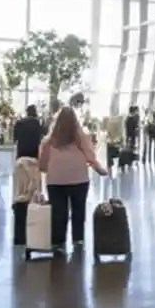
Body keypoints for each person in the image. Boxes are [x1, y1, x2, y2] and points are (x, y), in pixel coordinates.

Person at [38, 106, 108, 251]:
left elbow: (43, 162)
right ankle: (78, 239)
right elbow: (90, 156)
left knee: (58, 212)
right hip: (79, 178)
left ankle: (58, 241)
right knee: (78, 210)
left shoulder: (49, 140)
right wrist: (99, 169)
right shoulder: (81, 137)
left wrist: (45, 169)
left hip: (56, 180)